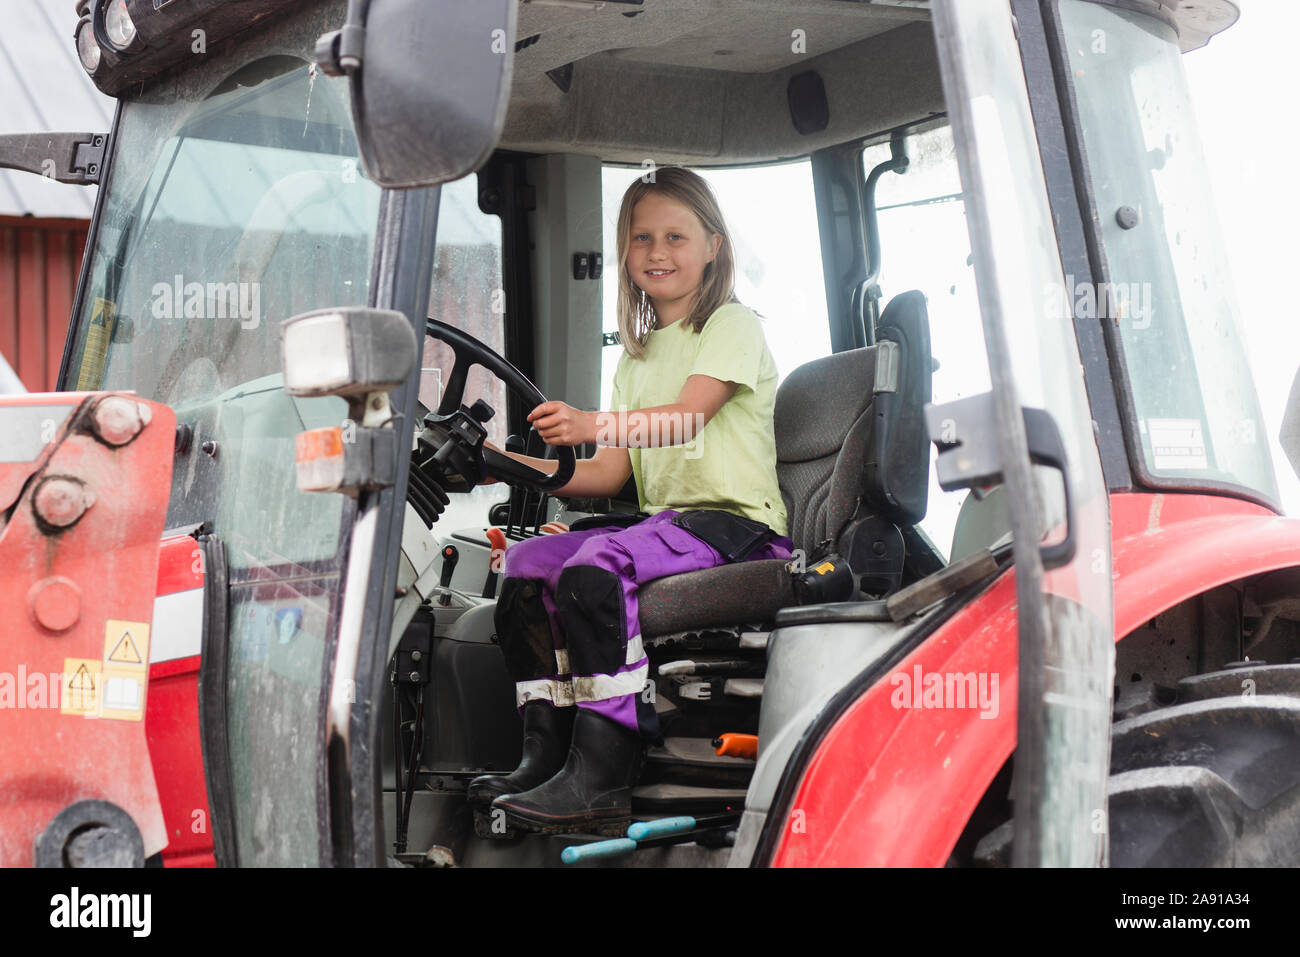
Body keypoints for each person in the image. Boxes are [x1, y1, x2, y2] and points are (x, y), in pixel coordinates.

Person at [467, 166, 792, 835]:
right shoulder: (635, 360)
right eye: (641, 237)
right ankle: (546, 754)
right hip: (670, 525)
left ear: (713, 246)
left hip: (740, 529)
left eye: (676, 235)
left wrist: (591, 423)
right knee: (527, 567)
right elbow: (608, 475)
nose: (657, 251)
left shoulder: (730, 326)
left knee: (596, 567)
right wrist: (498, 463)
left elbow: (684, 420)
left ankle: (603, 772)